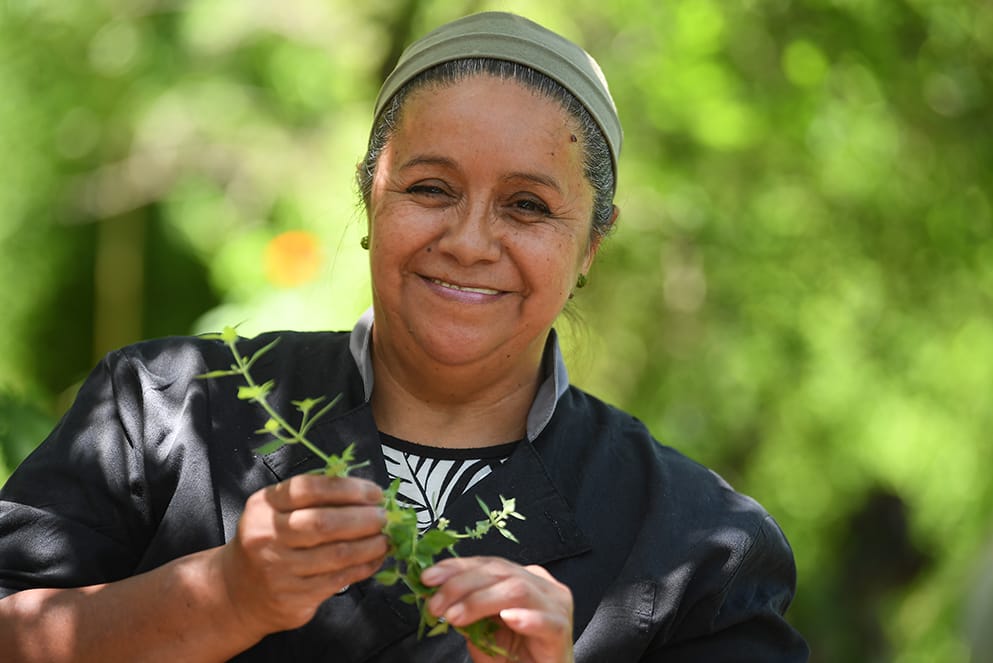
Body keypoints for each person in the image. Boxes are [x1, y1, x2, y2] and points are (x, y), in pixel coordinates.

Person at [0, 11, 809, 662]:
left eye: (526, 205)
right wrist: (226, 595)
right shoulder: (160, 412)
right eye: (430, 187)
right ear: (370, 201)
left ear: (590, 243)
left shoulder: (698, 545)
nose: (468, 239)